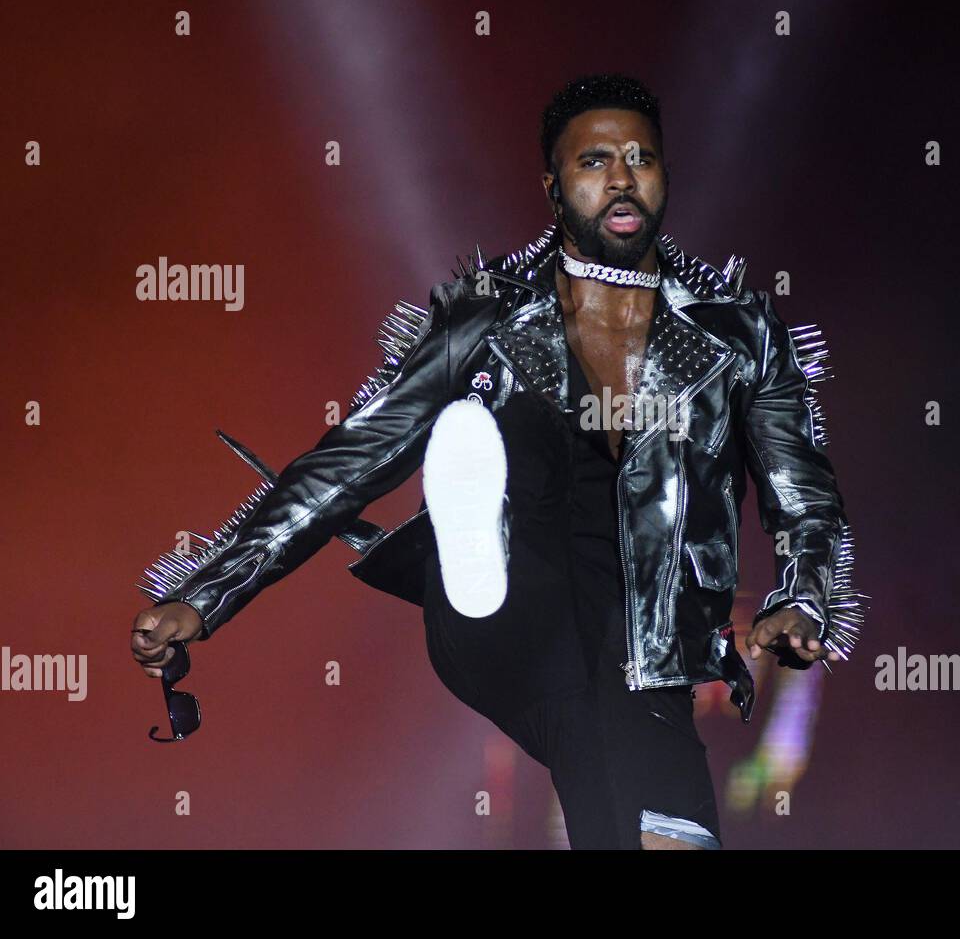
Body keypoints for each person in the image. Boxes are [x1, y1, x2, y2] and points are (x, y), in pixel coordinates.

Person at [130, 73, 865, 849]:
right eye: (595, 161)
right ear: (554, 188)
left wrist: (804, 601)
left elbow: (804, 497)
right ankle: (474, 537)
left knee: (647, 800)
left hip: (652, 654)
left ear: (664, 177)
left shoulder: (743, 336)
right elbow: (352, 462)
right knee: (513, 487)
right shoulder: (482, 319)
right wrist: (207, 594)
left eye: (641, 157)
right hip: (508, 620)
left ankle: (485, 545)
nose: (621, 176)